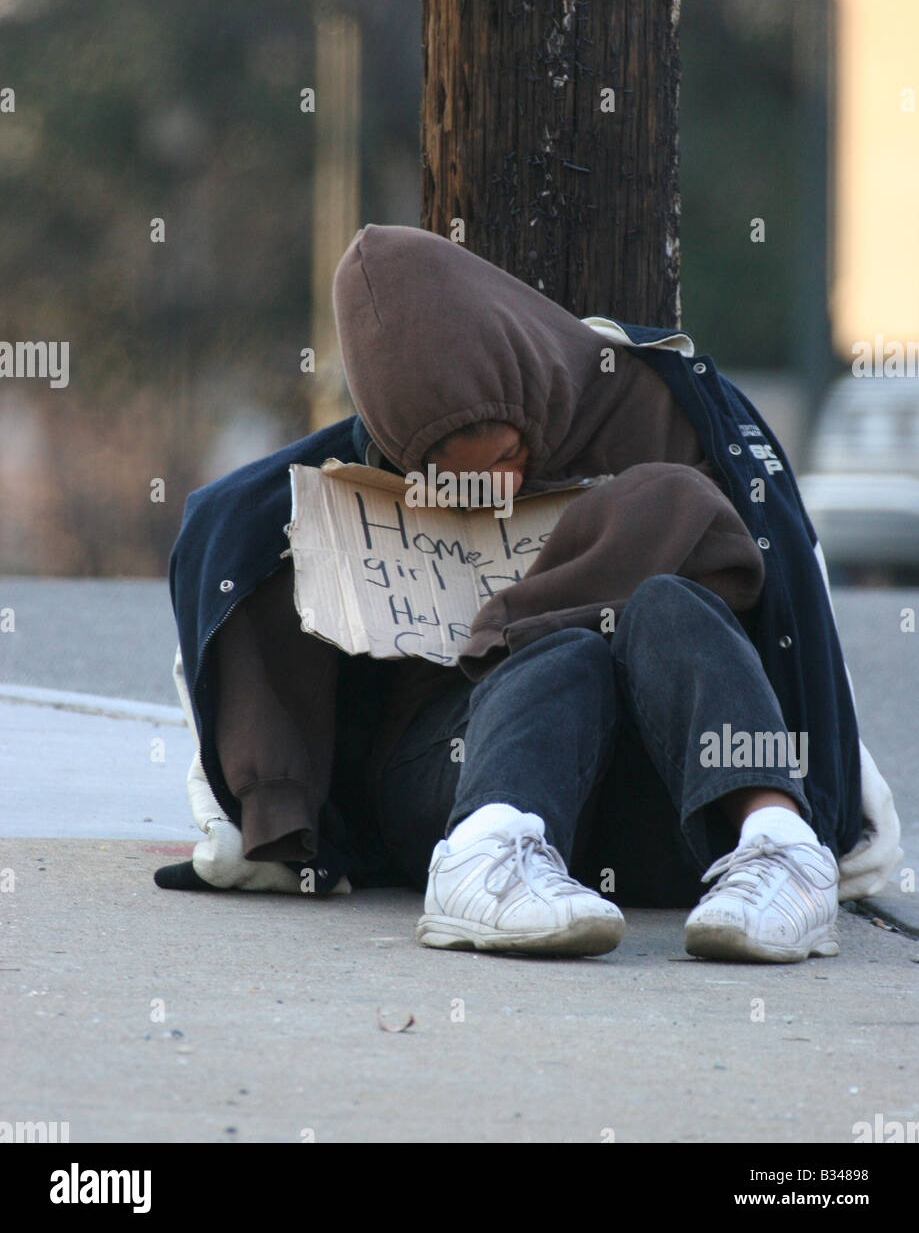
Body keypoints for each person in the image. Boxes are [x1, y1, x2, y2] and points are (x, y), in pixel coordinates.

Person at [157, 224, 902, 965]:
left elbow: (784, 605)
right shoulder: (335, 479)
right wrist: (270, 812)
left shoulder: (665, 411)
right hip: (460, 775)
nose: (502, 491)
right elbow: (236, 576)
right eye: (461, 485)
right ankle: (486, 863)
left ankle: (778, 853)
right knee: (564, 654)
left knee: (668, 601)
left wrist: (565, 581)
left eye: (510, 457)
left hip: (676, 807)